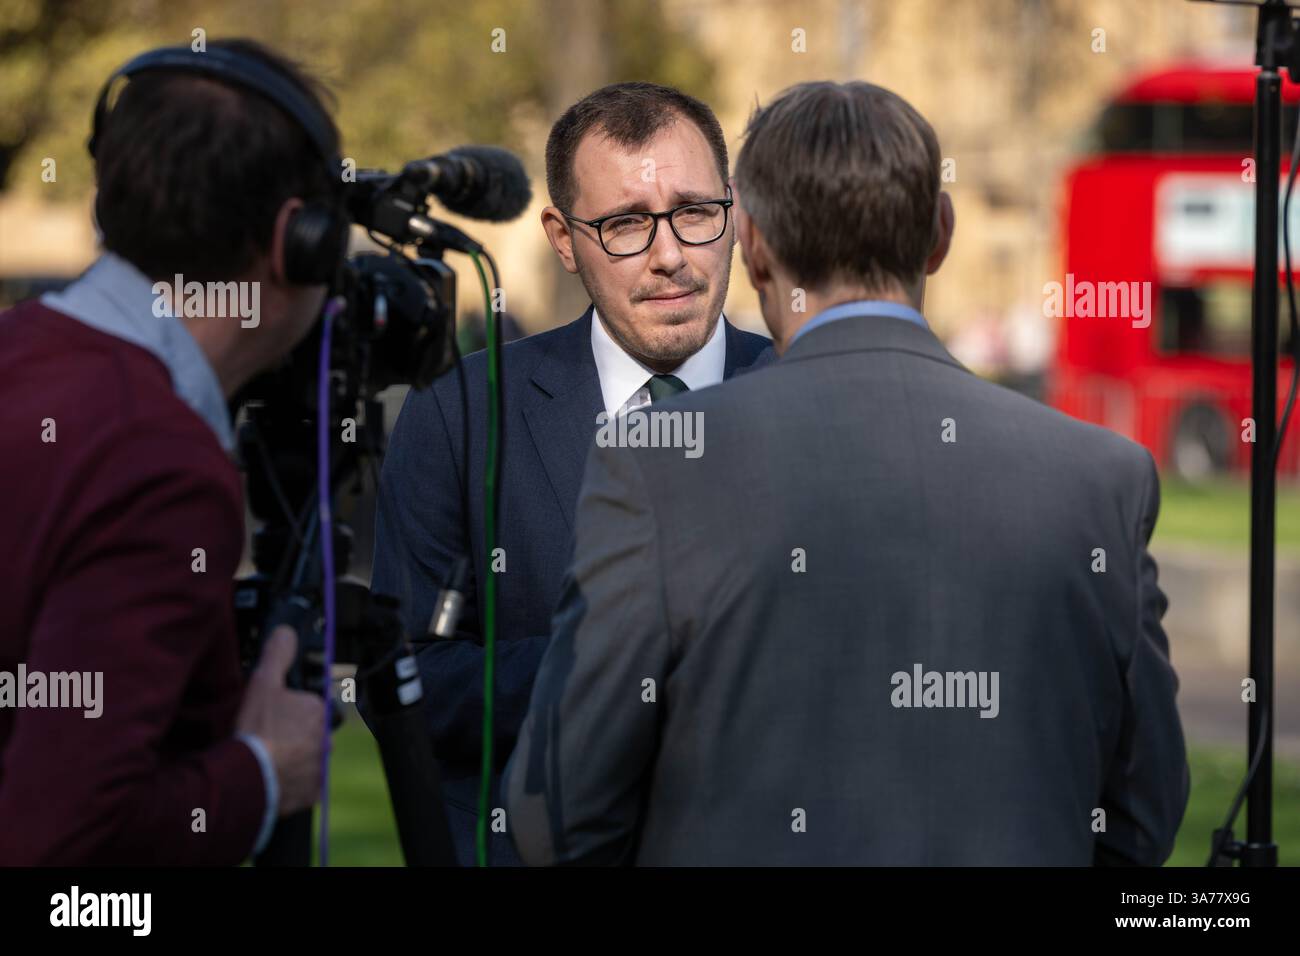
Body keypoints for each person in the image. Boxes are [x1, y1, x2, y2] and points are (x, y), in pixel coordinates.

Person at [504, 80, 1190, 865]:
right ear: (940, 233)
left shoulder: (662, 463)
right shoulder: (1100, 476)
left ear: (751, 242)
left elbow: (554, 811)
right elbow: (1144, 817)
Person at [371, 82, 772, 865]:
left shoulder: (807, 394)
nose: (668, 255)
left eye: (694, 212)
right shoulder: (459, 414)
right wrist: (617, 667)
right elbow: (406, 680)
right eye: (625, 223)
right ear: (563, 237)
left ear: (734, 210)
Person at [0, 39, 343, 864]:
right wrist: (262, 775)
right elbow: (60, 854)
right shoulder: (156, 463)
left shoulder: (22, 354)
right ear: (294, 240)